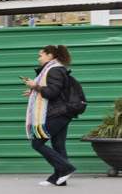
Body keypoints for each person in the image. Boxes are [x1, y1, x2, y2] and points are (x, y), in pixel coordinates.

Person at [26, 43, 84, 186]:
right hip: (62, 112)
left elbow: (52, 93)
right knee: (58, 145)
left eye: (41, 55)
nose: (38, 58)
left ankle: (66, 168)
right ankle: (59, 179)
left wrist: (36, 86)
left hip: (58, 113)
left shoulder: (54, 70)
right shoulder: (53, 69)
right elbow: (56, 91)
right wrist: (35, 91)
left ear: (50, 55)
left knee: (37, 143)